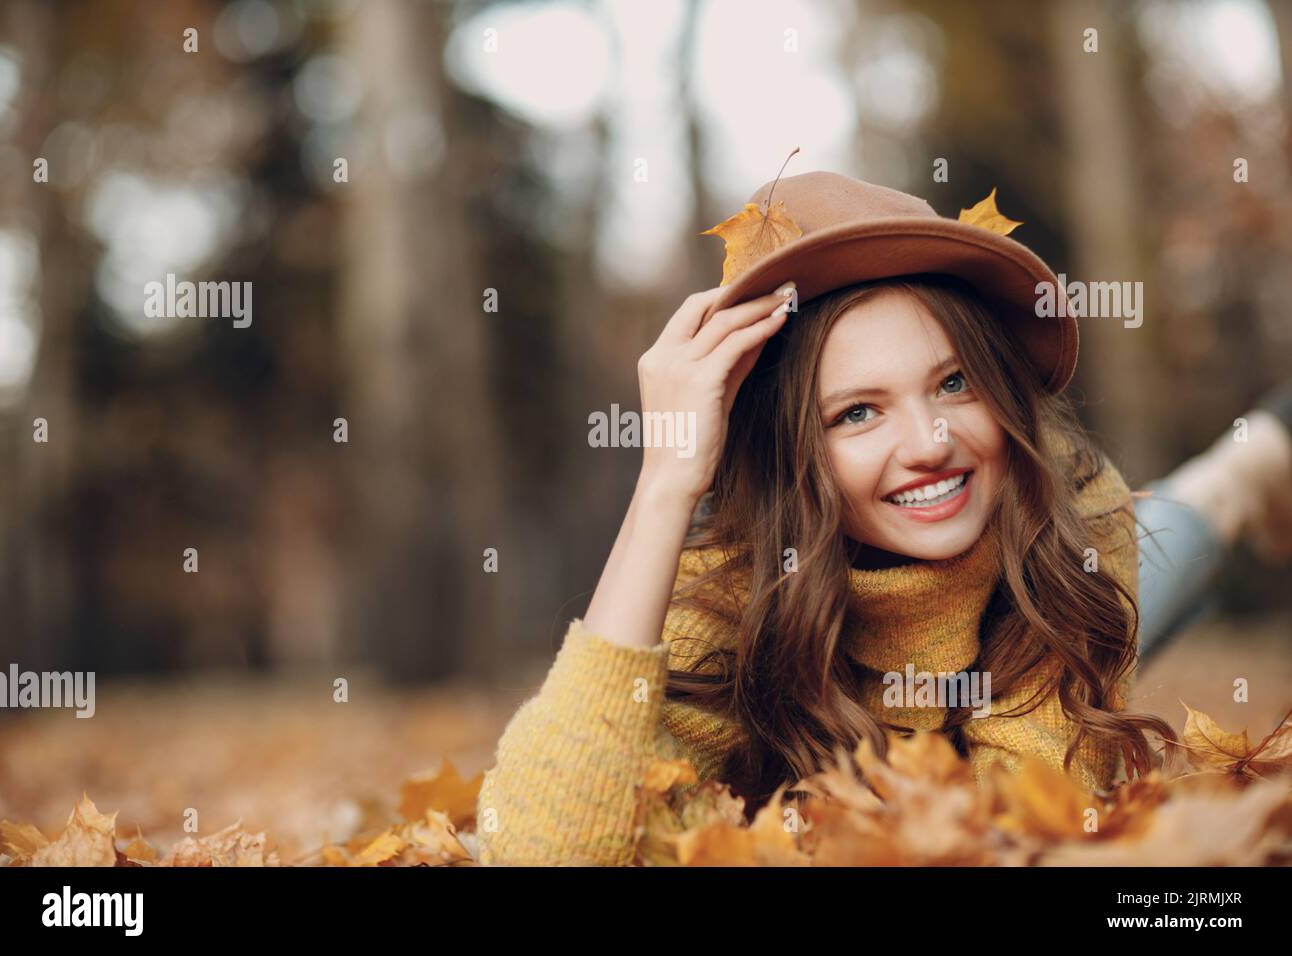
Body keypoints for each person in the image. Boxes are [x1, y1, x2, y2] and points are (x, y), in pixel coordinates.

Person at [475, 172, 1292, 866]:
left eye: (953, 384)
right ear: (790, 455)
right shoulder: (727, 587)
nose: (930, 444)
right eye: (858, 412)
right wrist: (664, 483)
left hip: (1074, 548)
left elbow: (1028, 819)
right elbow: (544, 849)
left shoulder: (1069, 520)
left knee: (1178, 538)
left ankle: (1246, 471)